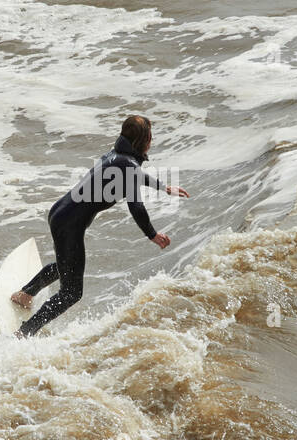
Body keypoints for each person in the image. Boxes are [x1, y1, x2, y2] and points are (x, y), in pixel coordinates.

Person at [11, 115, 189, 336]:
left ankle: (25, 294)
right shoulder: (128, 165)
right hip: (70, 225)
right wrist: (152, 234)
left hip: (59, 213)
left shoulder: (116, 155)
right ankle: (26, 331)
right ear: (145, 140)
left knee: (66, 266)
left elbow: (133, 173)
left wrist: (163, 187)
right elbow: (136, 206)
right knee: (72, 292)